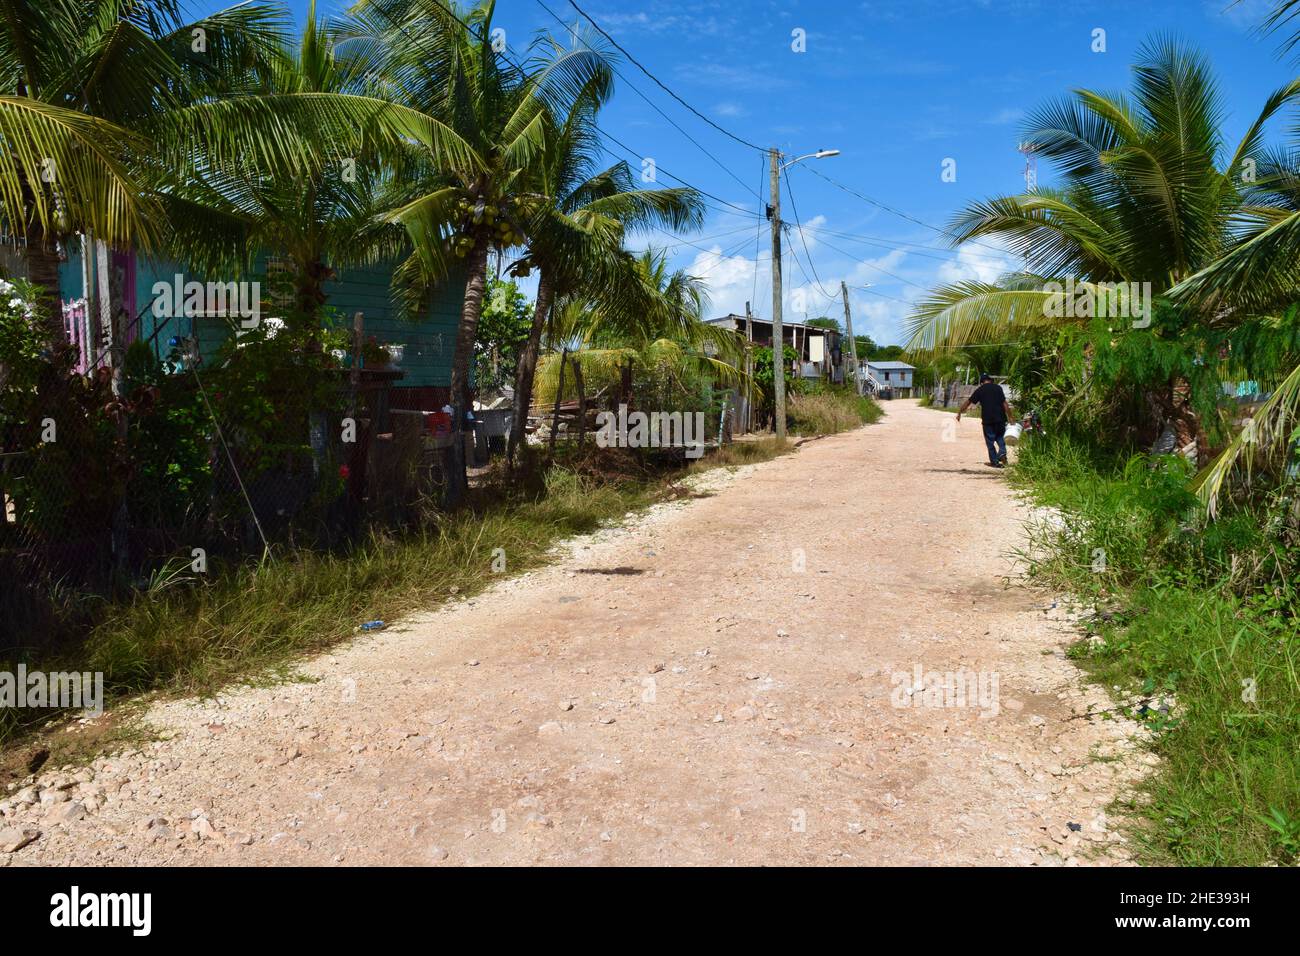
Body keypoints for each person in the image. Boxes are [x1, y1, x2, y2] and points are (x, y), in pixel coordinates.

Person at [957, 374, 1013, 468]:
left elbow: (968, 402)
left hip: (988, 420)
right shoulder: (998, 388)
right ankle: (1002, 453)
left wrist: (959, 412)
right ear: (990, 380)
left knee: (990, 441)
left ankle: (995, 462)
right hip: (1000, 418)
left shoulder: (980, 390)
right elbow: (1005, 403)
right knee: (1000, 438)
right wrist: (1011, 417)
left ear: (981, 382)